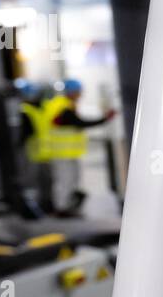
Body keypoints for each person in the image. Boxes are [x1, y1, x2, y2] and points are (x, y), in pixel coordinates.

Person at [43, 78, 115, 216]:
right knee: (65, 179)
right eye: (79, 92)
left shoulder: (65, 105)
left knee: (72, 178)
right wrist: (104, 119)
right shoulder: (62, 107)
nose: (80, 95)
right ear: (72, 92)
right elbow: (79, 123)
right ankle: (61, 208)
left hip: (67, 151)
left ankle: (66, 204)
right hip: (61, 152)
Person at [16, 78, 55, 213]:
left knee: (34, 180)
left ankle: (40, 205)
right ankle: (47, 203)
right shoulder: (42, 107)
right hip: (45, 150)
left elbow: (25, 132)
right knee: (46, 180)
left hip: (33, 151)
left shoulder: (25, 110)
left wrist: (17, 146)